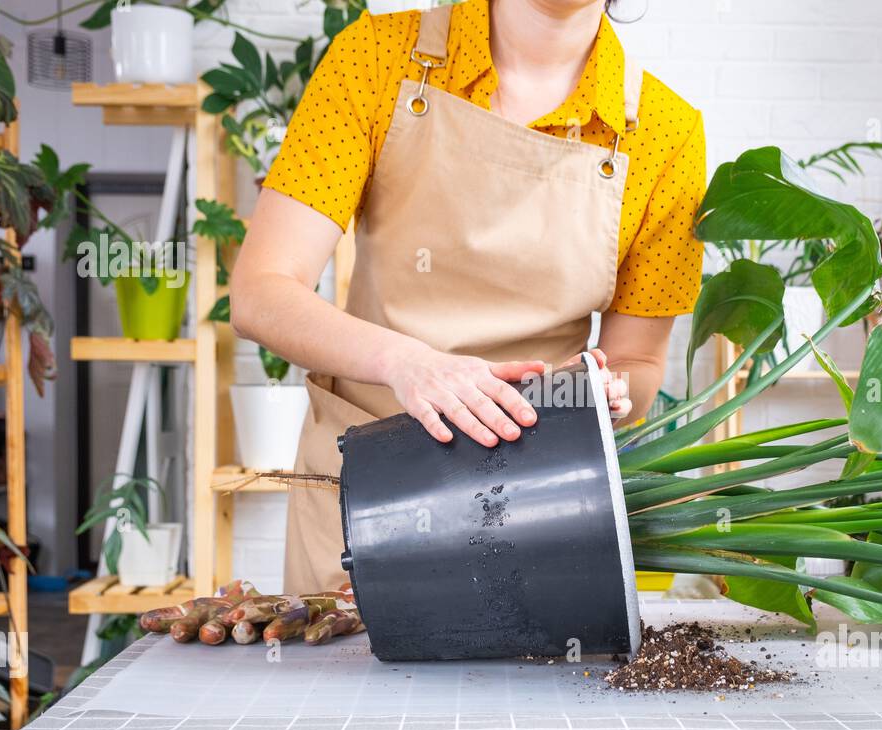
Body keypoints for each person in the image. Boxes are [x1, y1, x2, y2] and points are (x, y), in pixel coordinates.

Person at [230, 0, 705, 594]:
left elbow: (637, 365)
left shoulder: (666, 134)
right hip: (363, 495)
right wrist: (408, 364)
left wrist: (601, 393)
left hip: (534, 509)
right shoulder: (377, 57)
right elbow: (260, 291)